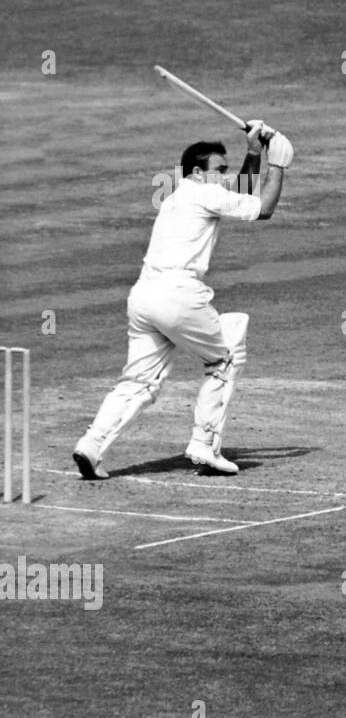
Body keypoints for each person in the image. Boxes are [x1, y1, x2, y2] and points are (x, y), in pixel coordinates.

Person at [73, 121, 294, 478]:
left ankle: (91, 444)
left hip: (144, 297)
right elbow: (263, 208)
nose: (224, 177)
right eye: (220, 170)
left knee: (139, 382)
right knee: (224, 358)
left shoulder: (182, 196)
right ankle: (204, 444)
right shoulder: (204, 192)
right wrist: (279, 166)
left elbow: (241, 196)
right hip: (178, 296)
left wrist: (254, 154)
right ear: (196, 171)